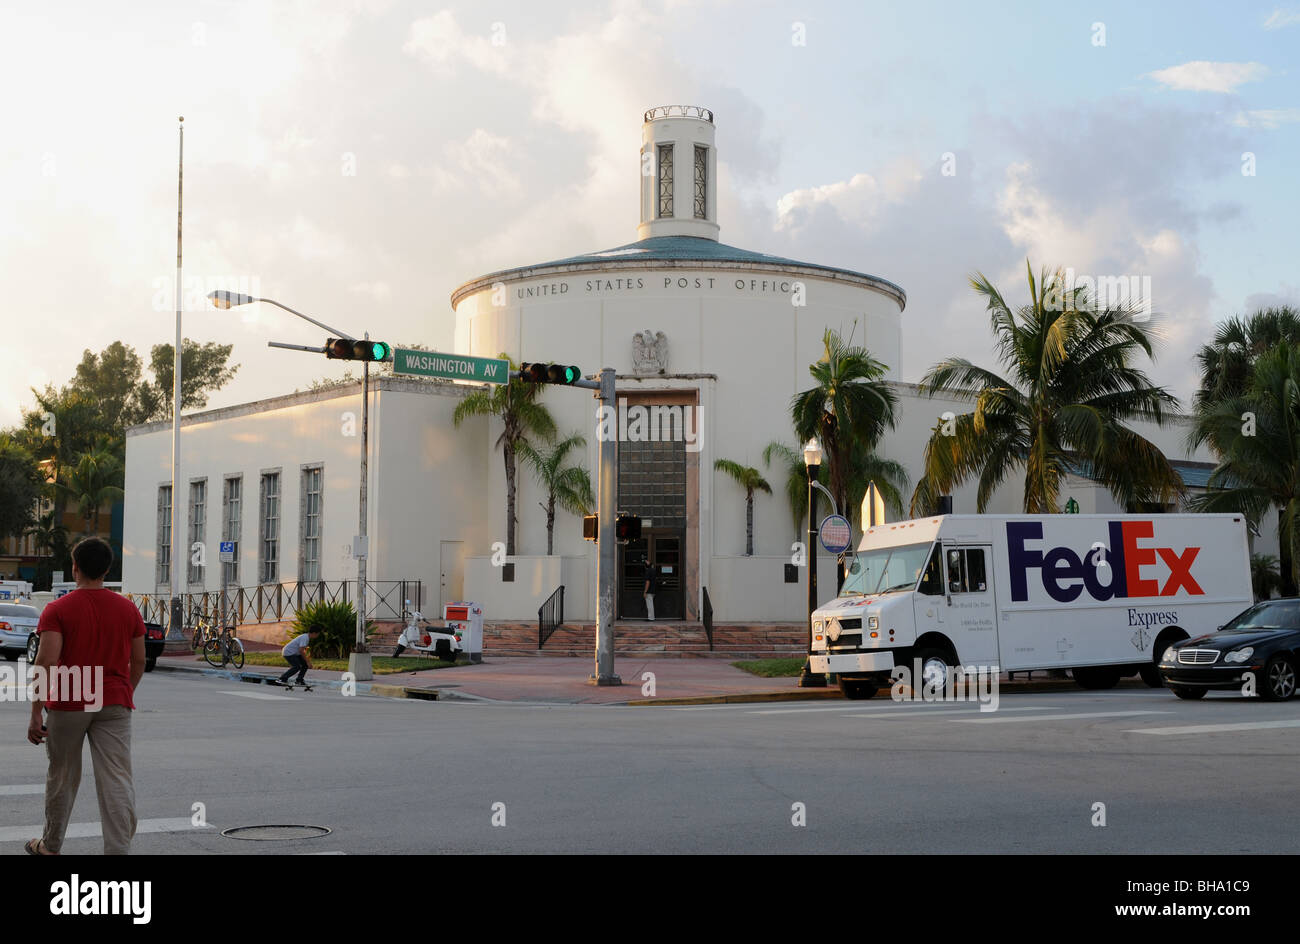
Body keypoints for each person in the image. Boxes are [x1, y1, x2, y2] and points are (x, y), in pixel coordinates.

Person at [25, 537, 146, 856]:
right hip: (114, 702)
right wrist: (123, 693)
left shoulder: (57, 610)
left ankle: (50, 846)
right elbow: (140, 660)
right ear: (107, 569)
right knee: (116, 778)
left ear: (75, 568)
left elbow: (46, 661)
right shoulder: (128, 608)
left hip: (68, 702)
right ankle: (118, 850)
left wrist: (36, 711)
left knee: (62, 775)